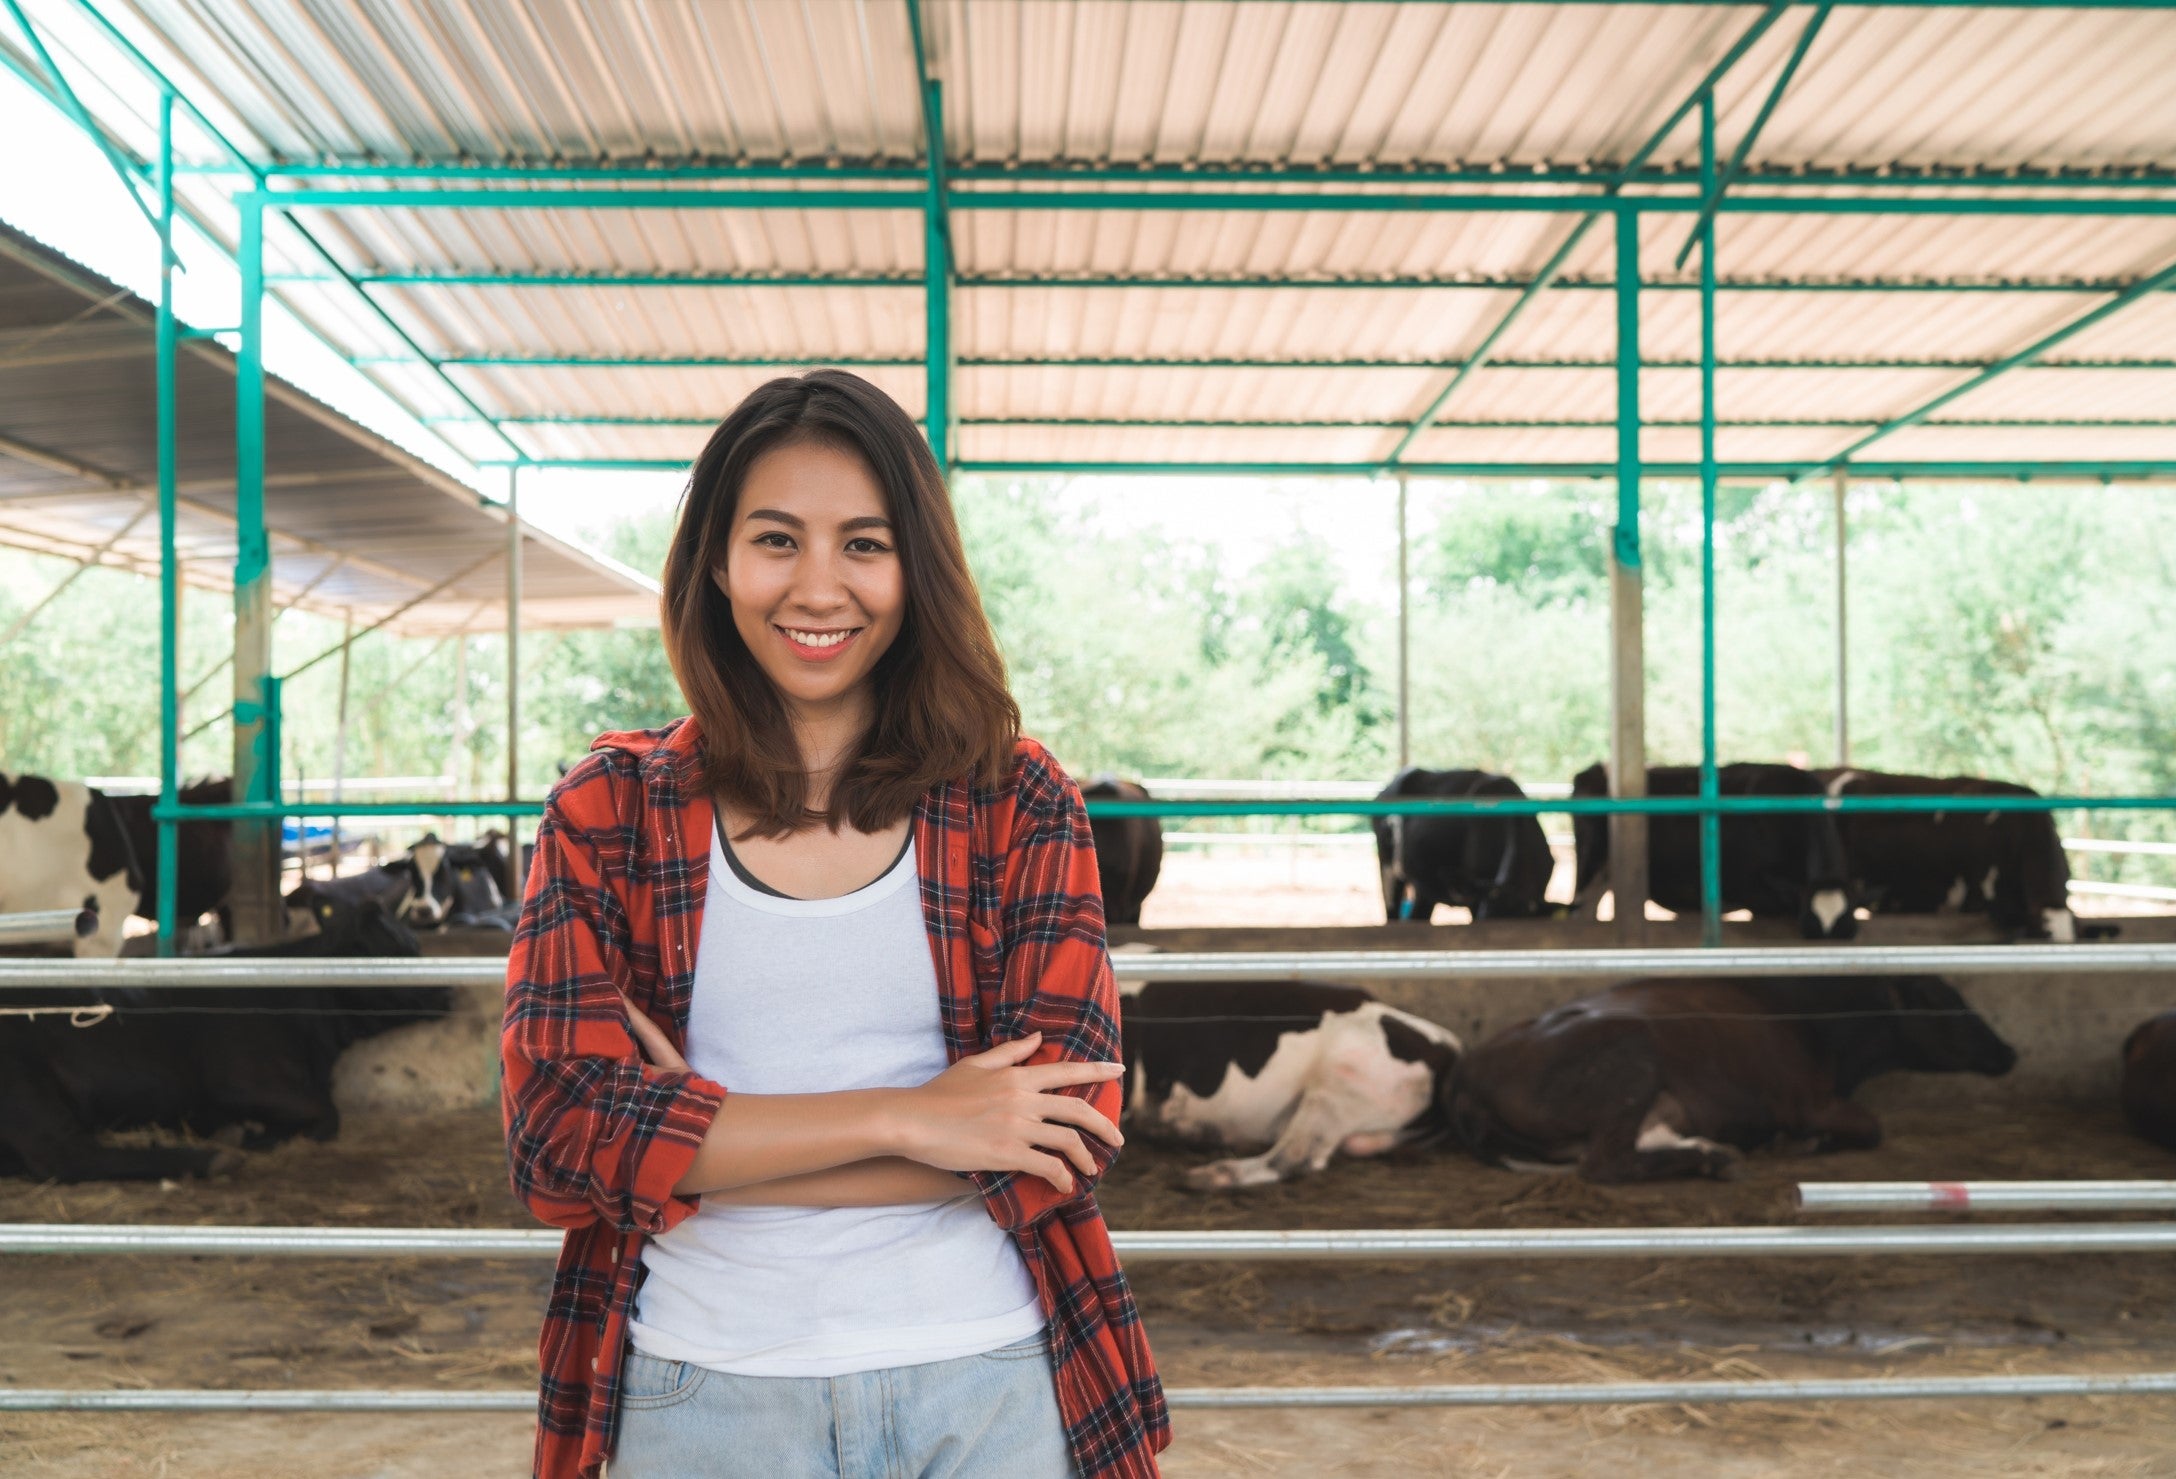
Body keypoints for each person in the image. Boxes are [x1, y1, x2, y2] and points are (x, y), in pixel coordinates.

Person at [500, 370, 1168, 1479]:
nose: (819, 588)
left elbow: (1064, 1137)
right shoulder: (607, 809)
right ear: (715, 562)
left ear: (918, 566)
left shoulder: (1017, 800)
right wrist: (922, 1120)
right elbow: (558, 1148)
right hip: (706, 1386)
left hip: (987, 1377)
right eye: (776, 540)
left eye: (864, 543)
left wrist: (688, 1146)